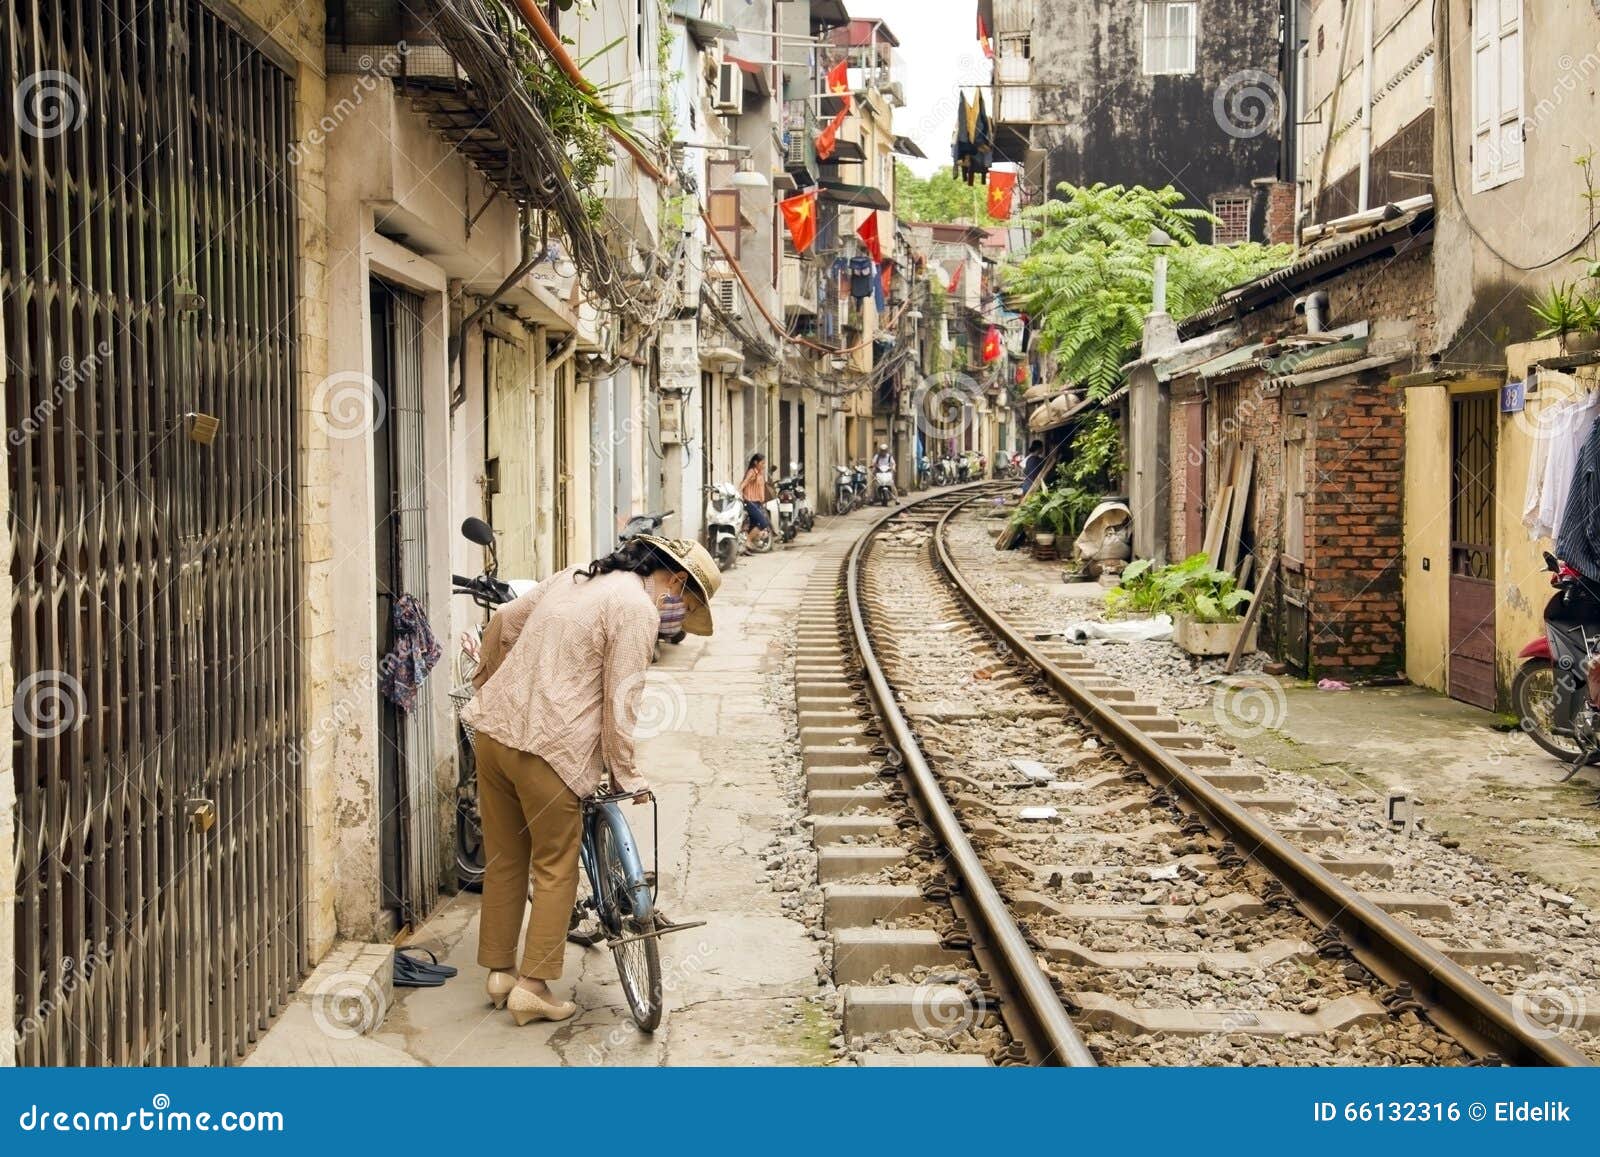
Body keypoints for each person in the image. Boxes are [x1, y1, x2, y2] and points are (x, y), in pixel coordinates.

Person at [461, 535, 721, 1024]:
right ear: (677, 580)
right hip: (551, 751)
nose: (678, 614)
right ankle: (533, 987)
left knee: (504, 858)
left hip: (494, 735)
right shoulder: (636, 610)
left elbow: (502, 622)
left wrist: (488, 683)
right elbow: (621, 704)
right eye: (684, 603)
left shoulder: (576, 574)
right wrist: (626, 773)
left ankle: (498, 974)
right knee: (556, 866)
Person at [738, 452, 773, 548]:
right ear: (755, 462)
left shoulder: (759, 473)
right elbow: (744, 483)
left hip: (757, 502)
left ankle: (745, 547)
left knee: (753, 525)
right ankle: (748, 540)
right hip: (750, 502)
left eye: (764, 463)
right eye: (762, 463)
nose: (764, 465)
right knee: (763, 522)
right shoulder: (752, 472)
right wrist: (738, 493)